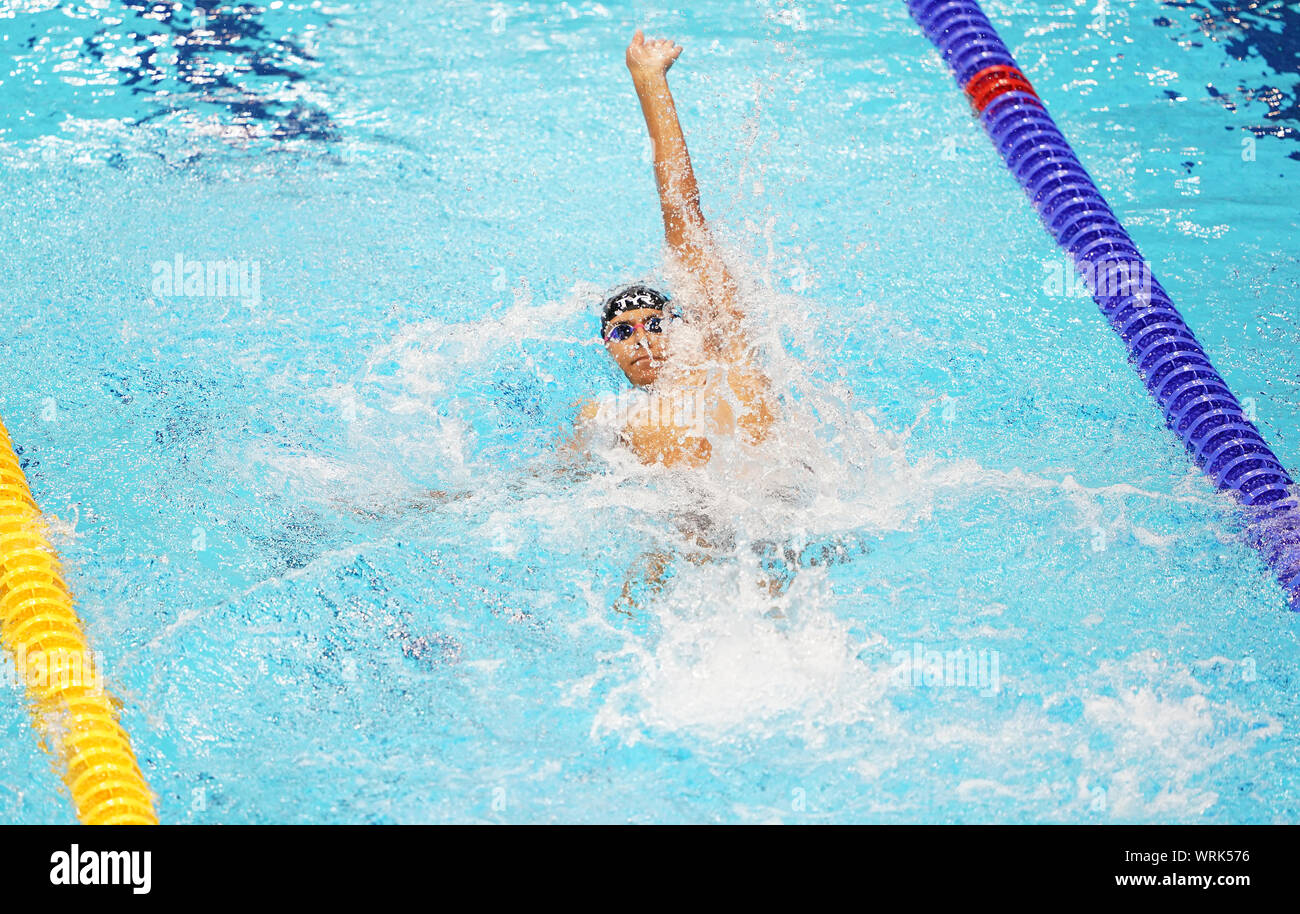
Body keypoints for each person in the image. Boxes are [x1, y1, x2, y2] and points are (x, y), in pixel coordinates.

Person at [570, 30, 777, 470]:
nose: (643, 339)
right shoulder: (613, 419)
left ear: (682, 328)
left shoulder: (725, 359)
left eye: (654, 324)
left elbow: (682, 214)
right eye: (623, 332)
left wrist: (650, 82)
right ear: (607, 348)